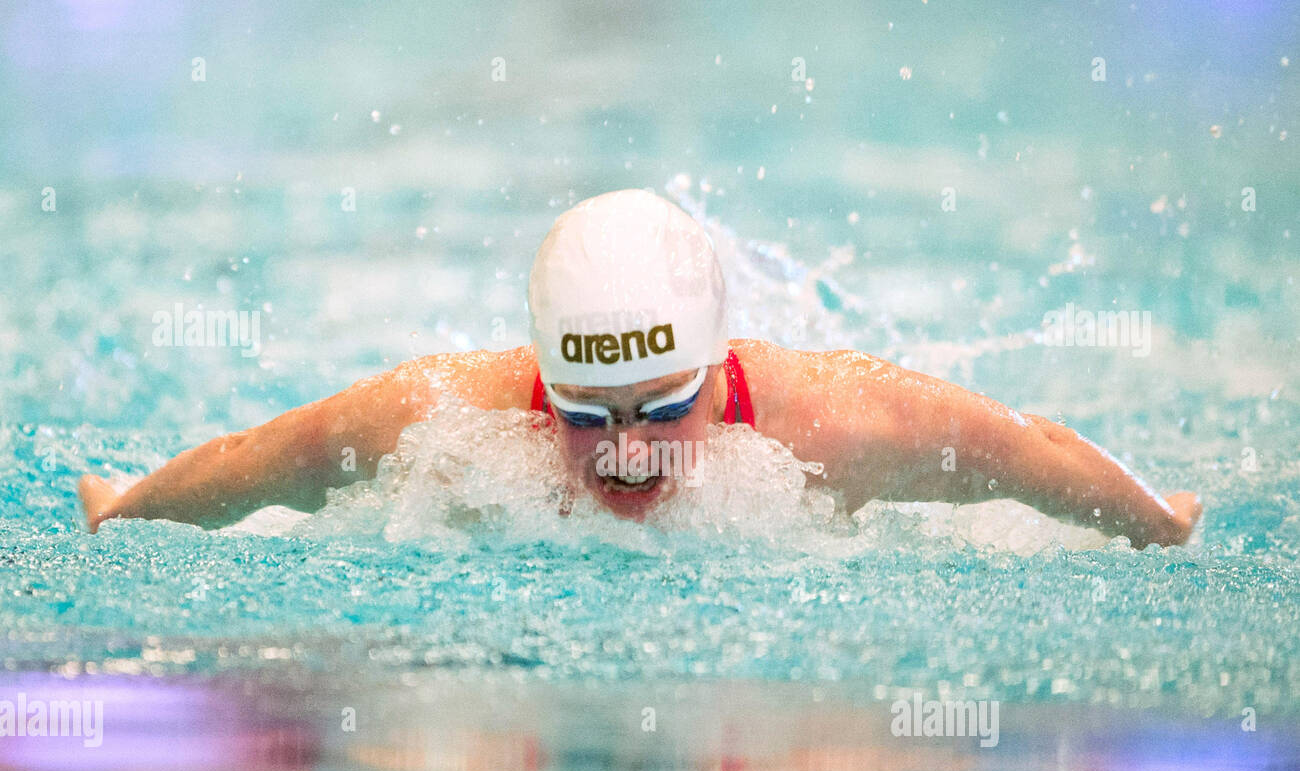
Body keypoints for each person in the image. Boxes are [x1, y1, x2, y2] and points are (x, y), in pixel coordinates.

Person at [78, 189, 1202, 548]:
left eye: (661, 407)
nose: (622, 448)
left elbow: (1020, 448)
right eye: (584, 414)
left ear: (716, 374)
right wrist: (127, 507)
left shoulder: (834, 423)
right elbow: (274, 455)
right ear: (542, 381)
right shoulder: (456, 414)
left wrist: (1161, 524)